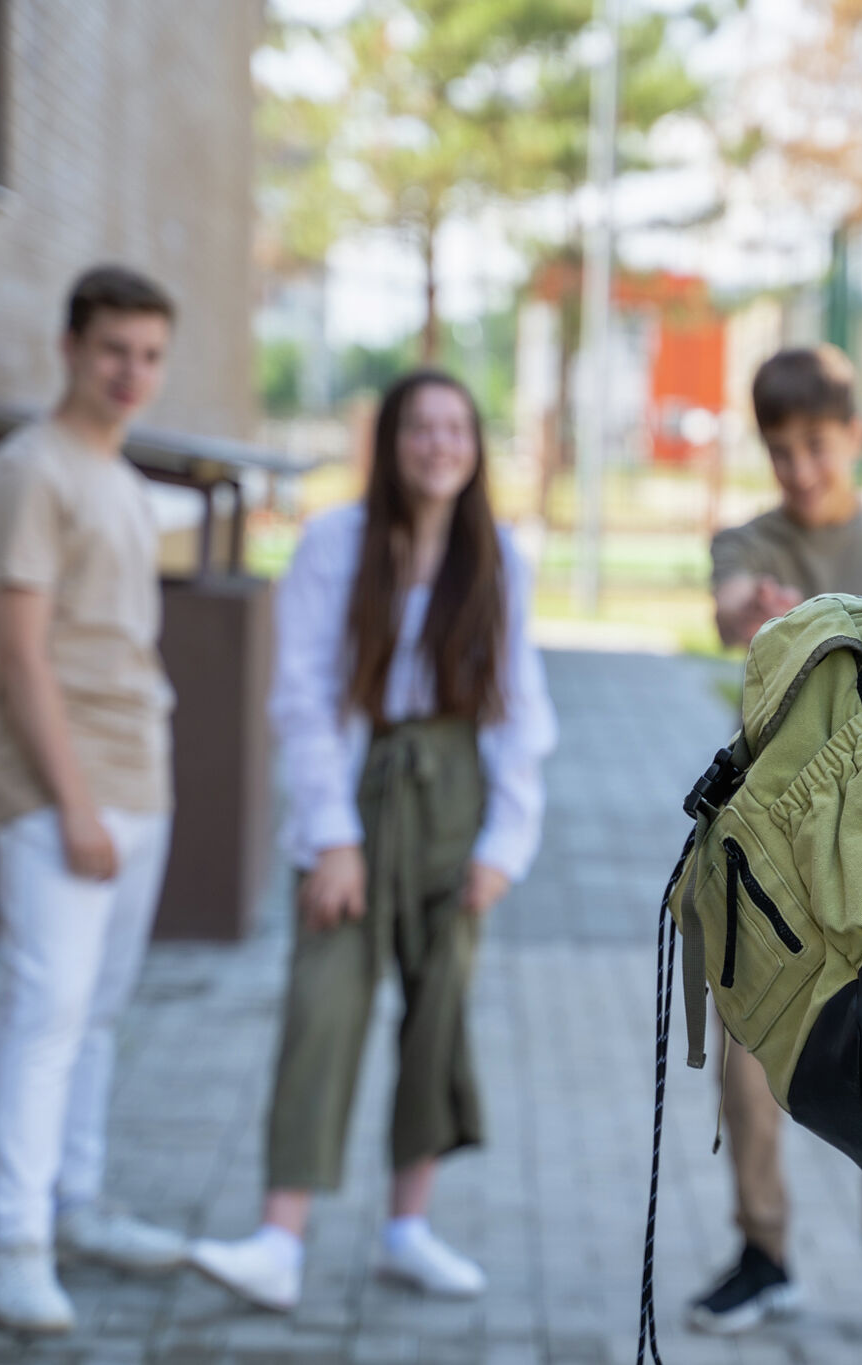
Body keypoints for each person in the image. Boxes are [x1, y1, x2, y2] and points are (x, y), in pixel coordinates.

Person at [189, 368, 557, 1313]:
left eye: (456, 428)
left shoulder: (500, 556)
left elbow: (519, 705)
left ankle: (408, 1230)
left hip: (456, 797)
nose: (439, 444)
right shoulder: (334, 543)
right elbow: (302, 698)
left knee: (437, 1016)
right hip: (360, 788)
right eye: (419, 428)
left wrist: (504, 844)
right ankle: (280, 1237)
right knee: (324, 1003)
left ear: (475, 448)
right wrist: (332, 837)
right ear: (390, 442)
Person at [693, 345, 862, 1356]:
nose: (798, 468)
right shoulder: (746, 542)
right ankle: (762, 1252)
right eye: (779, 449)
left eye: (815, 445)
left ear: (853, 436)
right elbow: (729, 613)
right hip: (761, 846)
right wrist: (753, 618)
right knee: (746, 1062)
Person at [0, 265, 191, 1333]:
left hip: (136, 775)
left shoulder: (119, 475)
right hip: (63, 791)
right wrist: (74, 804)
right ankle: (15, 1247)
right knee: (46, 1013)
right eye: (113, 351)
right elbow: (17, 659)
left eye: (148, 354)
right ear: (68, 346)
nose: (130, 373)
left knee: (96, 1014)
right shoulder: (28, 472)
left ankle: (78, 1203)